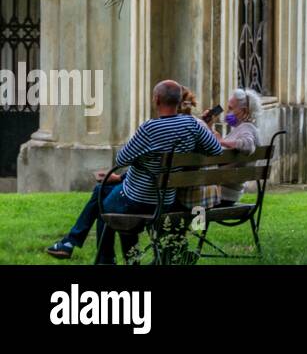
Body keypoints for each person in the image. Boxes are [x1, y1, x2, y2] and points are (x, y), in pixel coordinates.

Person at [45, 79, 223, 264]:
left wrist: (142, 155)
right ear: (179, 101)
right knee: (102, 193)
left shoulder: (149, 128)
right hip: (166, 200)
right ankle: (80, 247)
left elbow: (121, 159)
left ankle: (92, 254)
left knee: (101, 200)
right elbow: (216, 150)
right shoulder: (192, 125)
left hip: (138, 199)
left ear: (156, 100)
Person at [201, 87, 261, 206]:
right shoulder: (242, 128)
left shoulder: (247, 128)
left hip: (222, 193)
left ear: (244, 111)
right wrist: (207, 127)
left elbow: (248, 145)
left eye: (230, 108)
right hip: (227, 191)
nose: (227, 113)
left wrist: (222, 141)